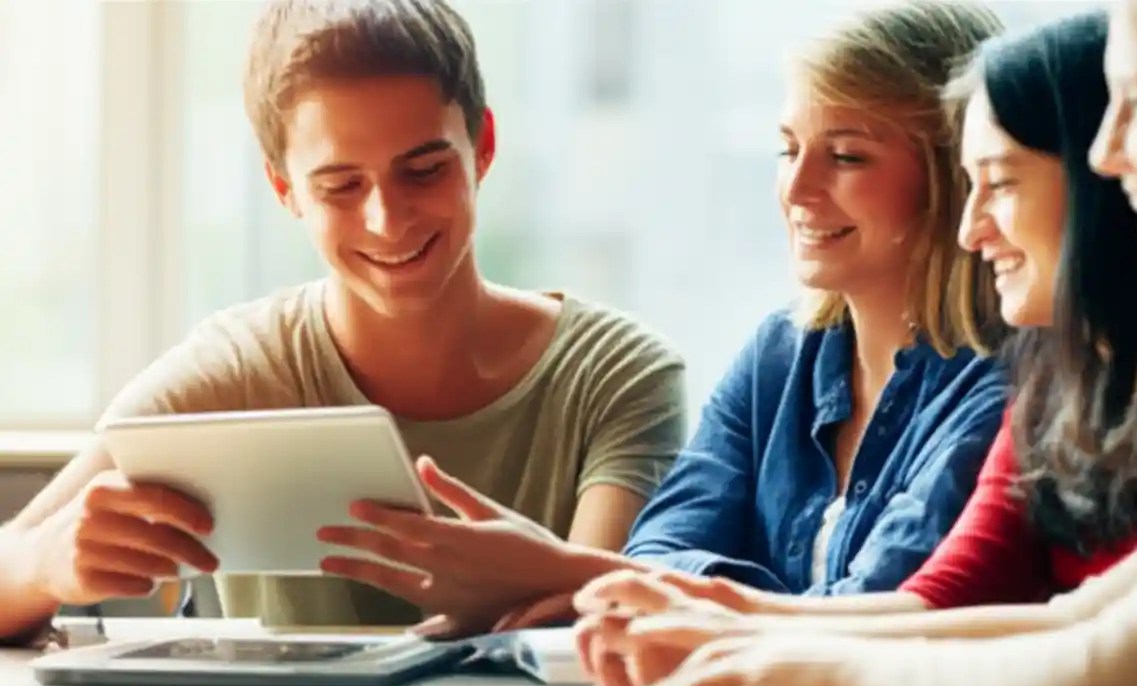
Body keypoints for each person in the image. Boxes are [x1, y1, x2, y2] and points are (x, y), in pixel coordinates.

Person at [587, 1, 1137, 686]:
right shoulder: (1057, 366)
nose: (1108, 154)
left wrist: (821, 673)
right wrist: (731, 620)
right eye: (786, 149)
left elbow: (1131, 668)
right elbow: (1066, 618)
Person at [301, 0, 1012, 642]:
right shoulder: (777, 355)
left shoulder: (1004, 382)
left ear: (958, 176)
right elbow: (657, 552)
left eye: (847, 156)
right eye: (787, 149)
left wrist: (579, 576)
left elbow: (879, 610)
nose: (796, 188)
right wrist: (645, 586)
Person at [0, 0, 687, 643]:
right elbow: (15, 562)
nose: (388, 220)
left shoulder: (616, 375)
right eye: (340, 186)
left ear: (483, 145)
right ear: (284, 189)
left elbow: (612, 621)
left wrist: (538, 579)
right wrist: (40, 565)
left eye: (423, 170)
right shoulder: (242, 366)